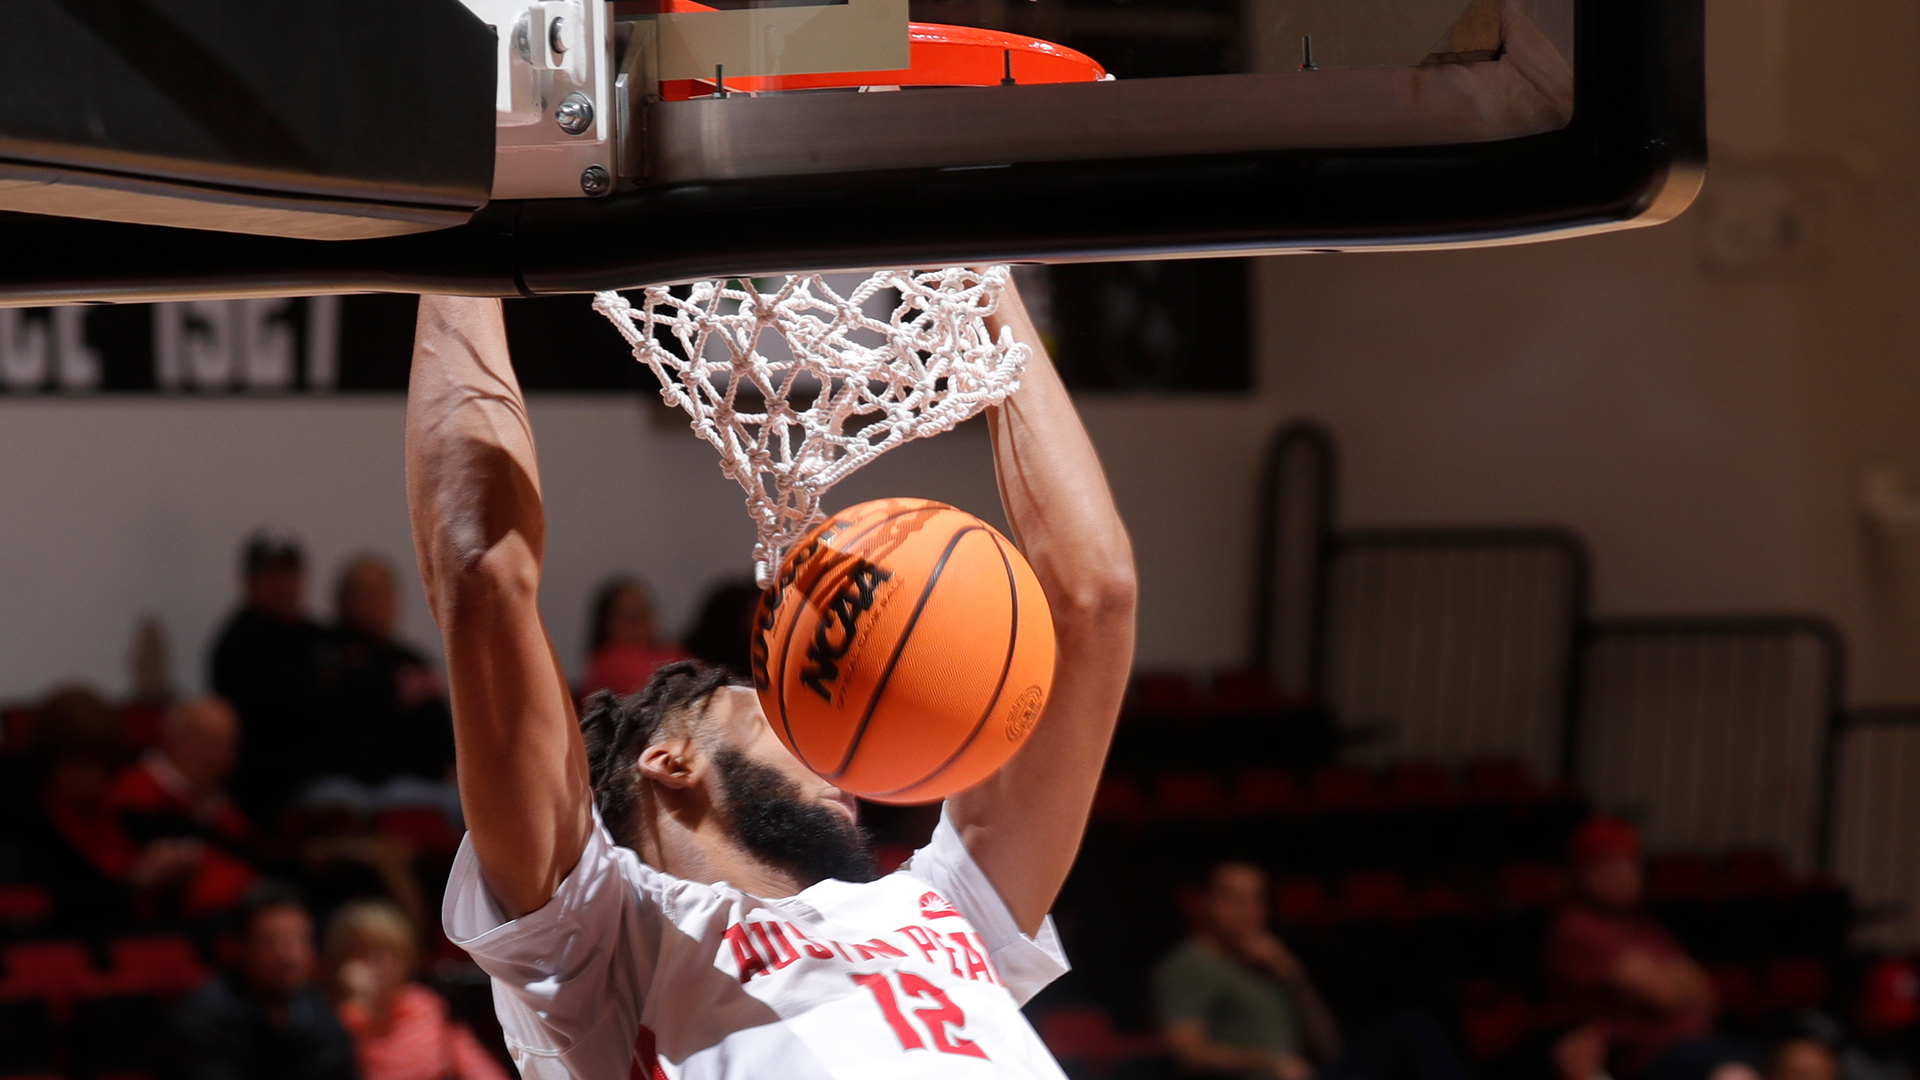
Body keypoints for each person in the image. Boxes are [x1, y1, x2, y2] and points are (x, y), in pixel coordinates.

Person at [406, 286, 1137, 1078]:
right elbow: (484, 575)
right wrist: (466, 263)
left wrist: (977, 284)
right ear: (670, 760)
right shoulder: (603, 946)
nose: (828, 754)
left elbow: (1094, 603)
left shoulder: (931, 906)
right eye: (784, 722)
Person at [1154, 860, 1463, 1080]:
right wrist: (1269, 1061)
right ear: (1207, 902)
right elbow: (1188, 1053)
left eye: (1256, 899)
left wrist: (1294, 977)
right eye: (1234, 899)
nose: (1248, 911)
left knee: (1411, 1026)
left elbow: (1329, 1046)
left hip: (1309, 1071)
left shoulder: (1269, 961)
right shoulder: (1189, 964)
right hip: (1262, 1076)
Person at [1547, 815, 1760, 1080]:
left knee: (1796, 1061)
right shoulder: (1578, 926)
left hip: (1697, 1047)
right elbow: (1662, 994)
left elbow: (1707, 997)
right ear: (1583, 873)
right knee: (1735, 1075)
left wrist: (1671, 982)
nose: (1623, 876)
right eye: (1609, 866)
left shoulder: (1646, 928)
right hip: (1643, 1059)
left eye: (1629, 864)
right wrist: (1676, 981)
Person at [165, 882, 359, 1080]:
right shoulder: (202, 1017)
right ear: (242, 947)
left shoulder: (317, 1007)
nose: (288, 957)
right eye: (271, 942)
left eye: (299, 940)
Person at [210, 533, 335, 820]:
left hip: (336, 770)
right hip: (278, 788)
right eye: (273, 576)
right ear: (250, 582)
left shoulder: (319, 638)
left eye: (291, 575)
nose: (285, 585)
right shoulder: (238, 647)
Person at [104, 695, 258, 919]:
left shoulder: (227, 807)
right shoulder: (135, 792)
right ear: (172, 738)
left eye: (228, 744)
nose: (219, 755)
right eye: (207, 742)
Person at [325, 899, 511, 1080]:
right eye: (363, 952)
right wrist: (365, 1004)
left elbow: (475, 1064)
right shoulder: (332, 1021)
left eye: (386, 951)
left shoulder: (425, 1004)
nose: (378, 963)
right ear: (341, 961)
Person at [326, 554, 456, 786]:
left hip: (429, 782)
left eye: (385, 592)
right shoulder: (328, 657)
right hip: (362, 783)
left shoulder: (414, 661)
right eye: (366, 593)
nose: (378, 602)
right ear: (344, 601)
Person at [581, 576, 688, 697]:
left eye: (643, 612)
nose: (638, 621)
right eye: (628, 615)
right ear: (606, 622)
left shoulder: (673, 651)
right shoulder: (607, 663)